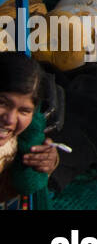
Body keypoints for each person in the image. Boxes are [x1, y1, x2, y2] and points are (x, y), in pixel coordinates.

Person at [0, 53, 59, 202]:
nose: (10, 120)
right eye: (3, 103)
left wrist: (45, 165)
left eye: (24, 111)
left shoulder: (17, 147)